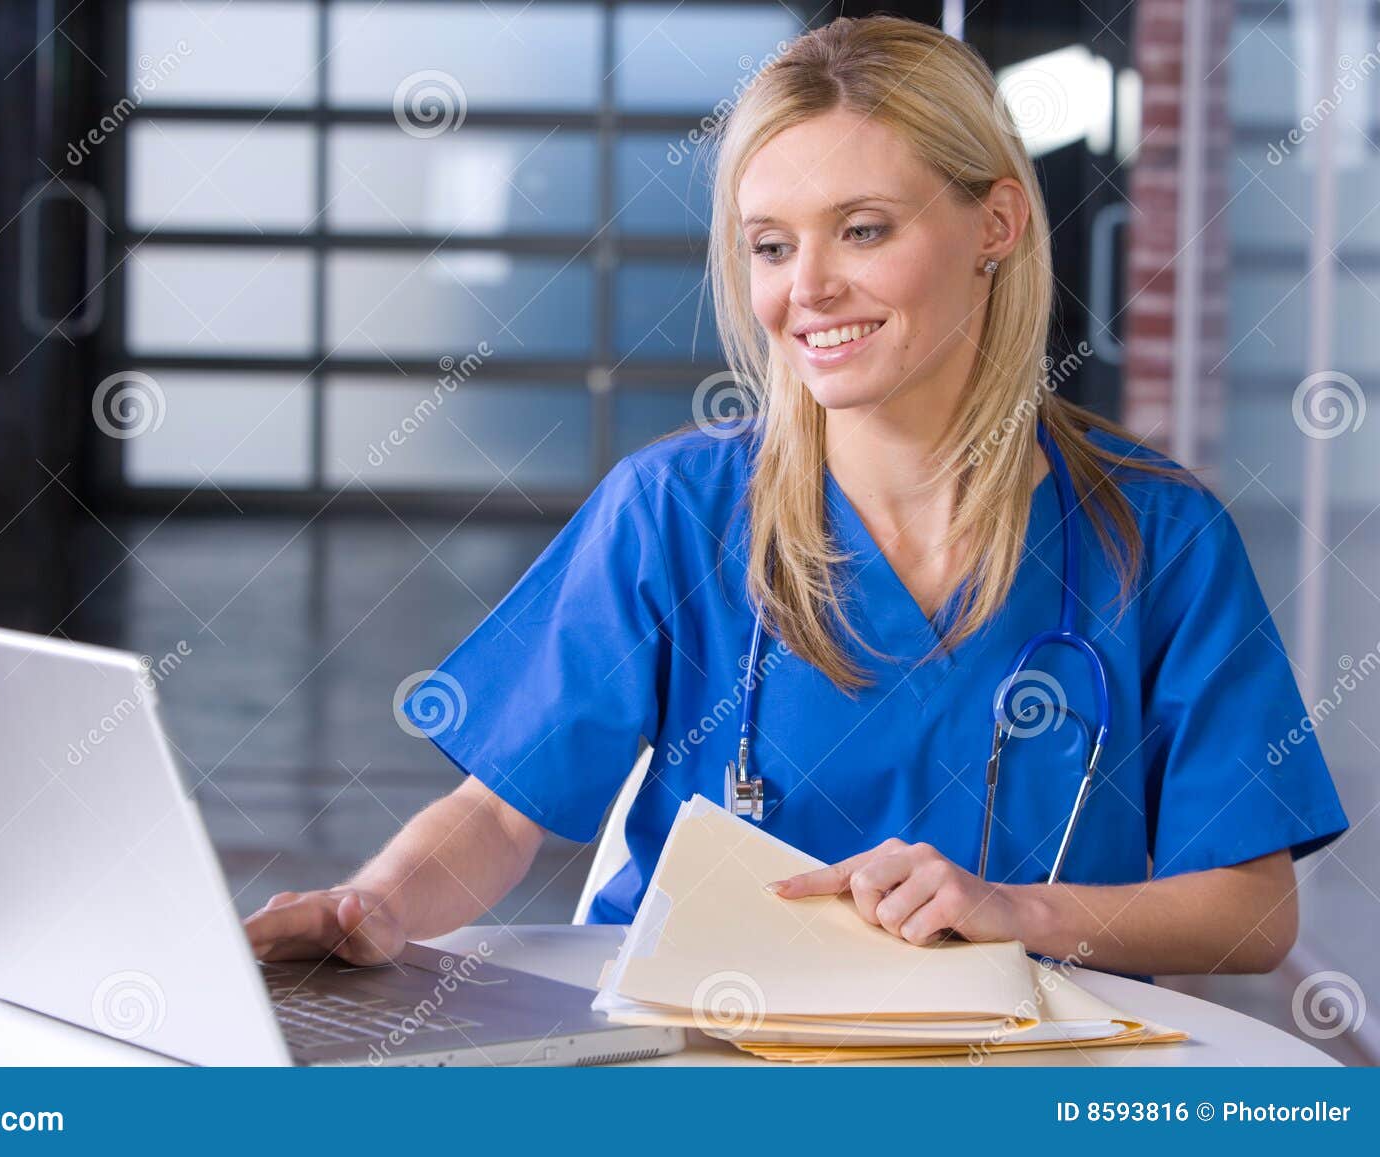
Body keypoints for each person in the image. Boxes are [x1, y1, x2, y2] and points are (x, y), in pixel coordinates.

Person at [244, 15, 1348, 980]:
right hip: (706, 1056)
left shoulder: (1155, 535)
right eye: (771, 246)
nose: (805, 289)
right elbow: (497, 811)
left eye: (862, 229)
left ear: (997, 225)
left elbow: (1251, 909)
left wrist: (1019, 914)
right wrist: (374, 905)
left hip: (1011, 1069)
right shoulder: (675, 511)